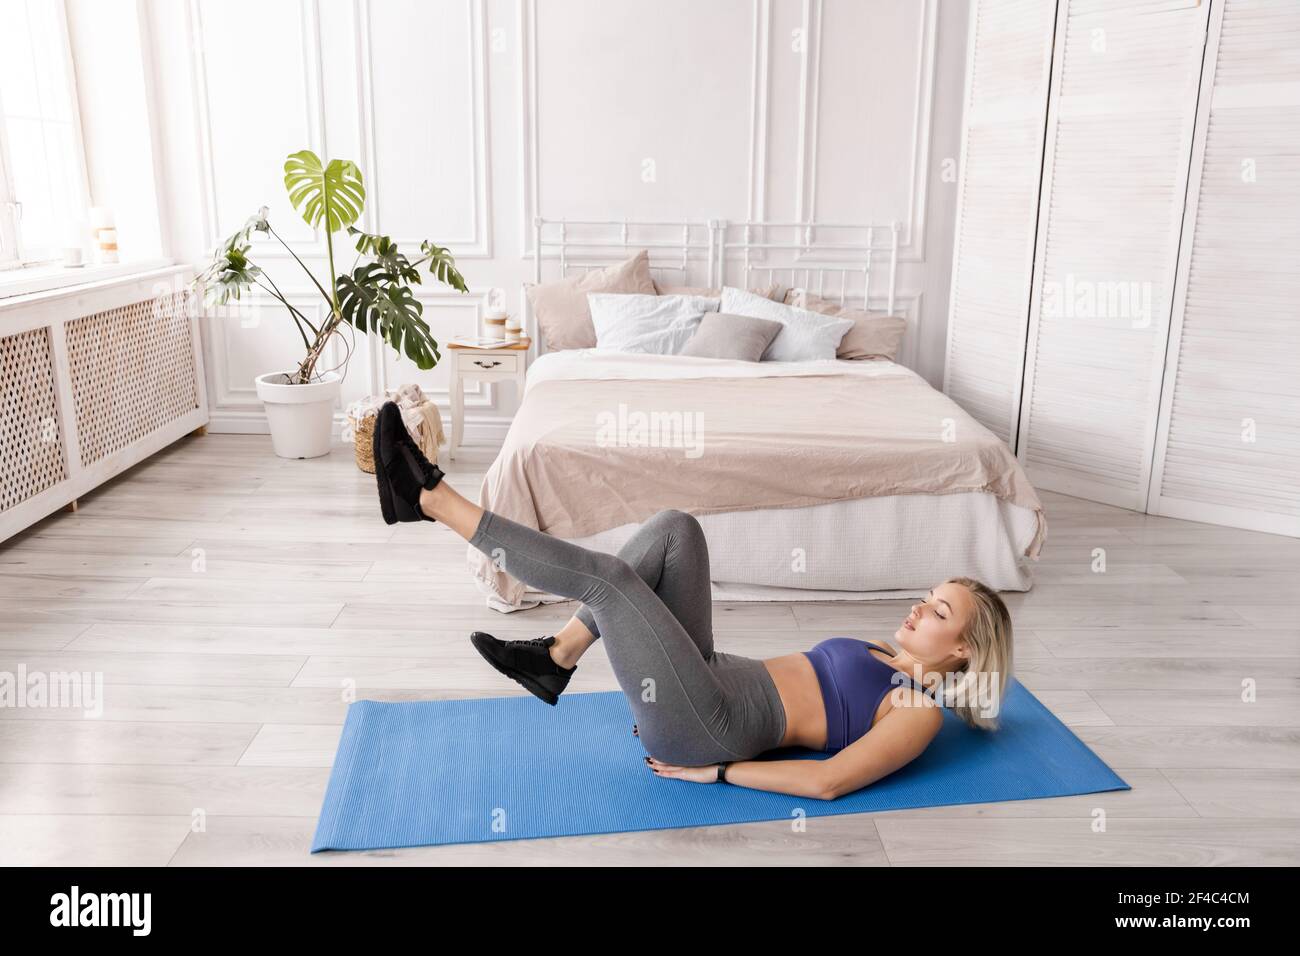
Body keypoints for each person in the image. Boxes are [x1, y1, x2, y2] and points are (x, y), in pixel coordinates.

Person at [371, 402, 1014, 800]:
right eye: (927, 596)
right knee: (678, 529)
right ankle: (557, 656)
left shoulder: (918, 710)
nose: (916, 608)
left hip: (712, 728)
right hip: (705, 678)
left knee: (612, 583)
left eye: (937, 611)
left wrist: (722, 773)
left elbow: (828, 781)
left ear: (963, 649)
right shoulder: (885, 655)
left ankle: (431, 501)